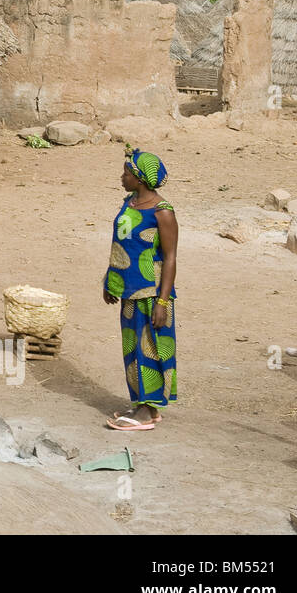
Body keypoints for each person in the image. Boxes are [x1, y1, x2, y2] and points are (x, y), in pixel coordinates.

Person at [103, 147, 178, 431]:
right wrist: (109, 279)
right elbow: (122, 244)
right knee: (133, 351)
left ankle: (148, 412)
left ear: (140, 179)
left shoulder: (163, 213)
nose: (122, 177)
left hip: (151, 292)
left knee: (151, 351)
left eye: (126, 173)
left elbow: (170, 258)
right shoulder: (129, 203)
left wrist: (162, 301)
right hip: (128, 290)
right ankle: (142, 405)